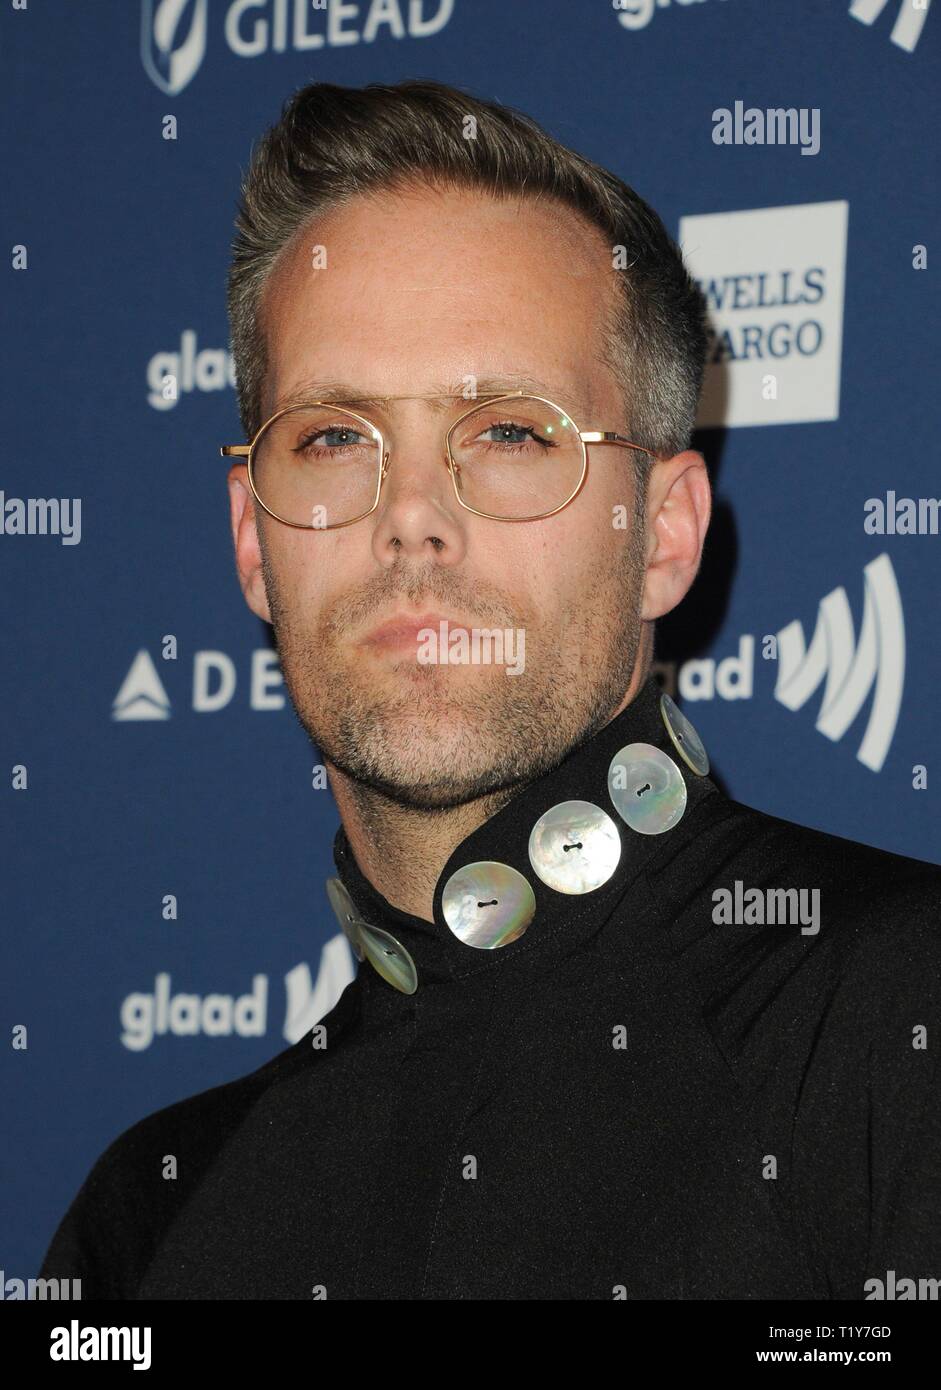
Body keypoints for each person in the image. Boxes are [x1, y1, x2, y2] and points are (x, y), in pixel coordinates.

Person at [40, 79, 941, 1300]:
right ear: (255, 541)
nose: (410, 518)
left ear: (664, 535)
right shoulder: (149, 1220)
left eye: (511, 433)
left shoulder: (895, 1028)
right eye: (333, 436)